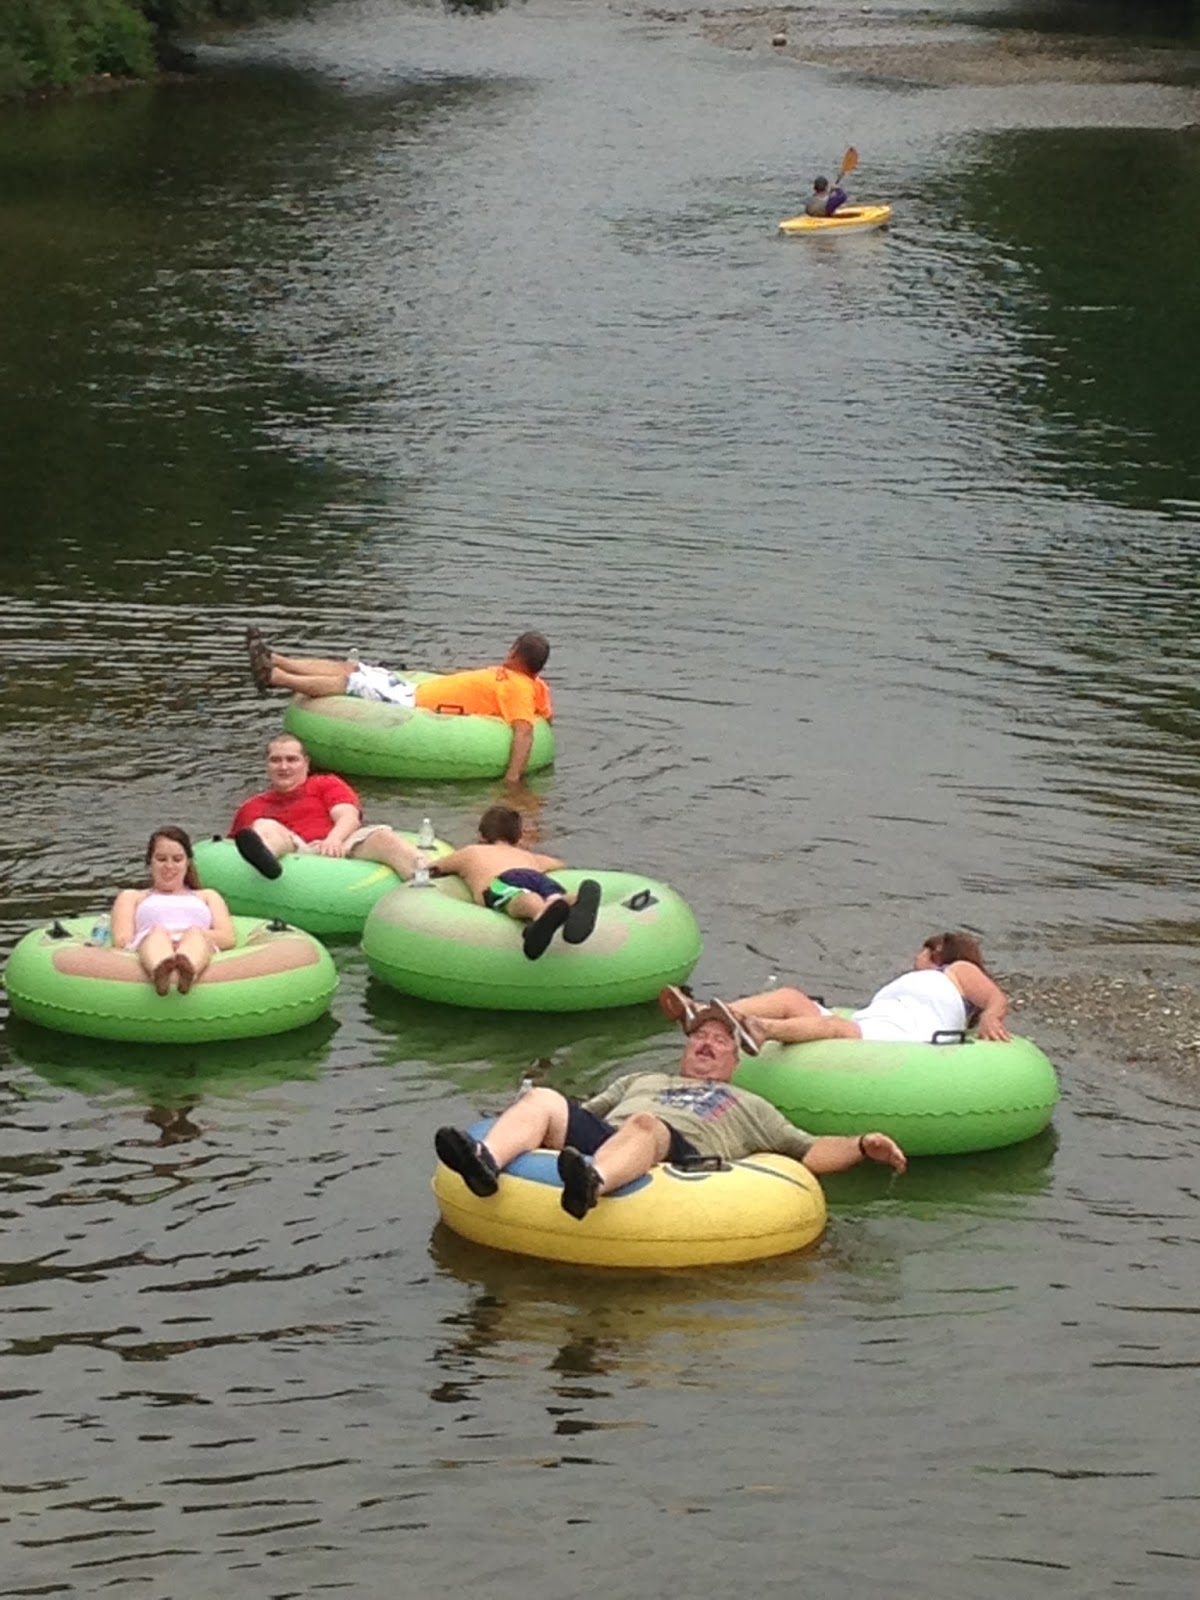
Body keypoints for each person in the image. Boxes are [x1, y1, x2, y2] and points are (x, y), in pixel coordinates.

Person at [435, 996, 906, 1221]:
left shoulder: (748, 1103)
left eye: (720, 1039)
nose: (706, 1041)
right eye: (699, 1034)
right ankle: (486, 1162)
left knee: (647, 1124)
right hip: (615, 1134)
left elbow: (809, 1151)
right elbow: (581, 1115)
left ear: (734, 1060)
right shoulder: (641, 1078)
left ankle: (593, 1184)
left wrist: (863, 1145)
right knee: (545, 1100)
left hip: (676, 1150)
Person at [244, 629, 552, 786]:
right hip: (412, 689)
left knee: (349, 684)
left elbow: (524, 732)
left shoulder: (519, 688)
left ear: (513, 650)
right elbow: (546, 717)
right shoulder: (533, 685)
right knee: (351, 668)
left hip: (412, 704)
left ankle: (275, 677)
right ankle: (275, 658)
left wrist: (512, 781)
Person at [707, 931, 1011, 1049]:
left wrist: (990, 1018)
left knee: (837, 1026)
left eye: (922, 949)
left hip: (905, 1035)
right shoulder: (909, 980)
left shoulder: (957, 971)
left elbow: (995, 997)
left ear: (938, 951)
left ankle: (763, 1029)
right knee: (790, 997)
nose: (914, 955)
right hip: (872, 1022)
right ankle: (710, 1014)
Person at [229, 733, 423, 883]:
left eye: (291, 759)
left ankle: (427, 878)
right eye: (276, 760)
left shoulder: (325, 783)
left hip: (339, 845)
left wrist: (334, 840)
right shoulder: (252, 807)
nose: (284, 767)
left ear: (306, 763)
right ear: (267, 765)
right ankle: (266, 859)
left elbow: (348, 816)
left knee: (382, 836)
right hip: (296, 851)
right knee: (264, 826)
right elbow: (229, 850)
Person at [429, 804, 601, 960]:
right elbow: (559, 864)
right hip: (536, 876)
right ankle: (573, 900)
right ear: (518, 839)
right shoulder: (528, 856)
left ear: (481, 836)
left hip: (504, 880)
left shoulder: (472, 852)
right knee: (552, 894)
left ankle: (541, 916)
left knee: (524, 898)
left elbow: (436, 867)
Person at [110, 826, 236, 996]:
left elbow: (227, 937)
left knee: (195, 933)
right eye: (161, 859)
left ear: (187, 863)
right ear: (150, 862)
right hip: (150, 942)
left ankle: (187, 969)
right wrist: (165, 937)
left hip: (198, 942)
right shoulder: (133, 897)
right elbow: (122, 940)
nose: (169, 866)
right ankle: (160, 970)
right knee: (157, 932)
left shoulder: (207, 896)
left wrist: (184, 938)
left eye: (177, 859)